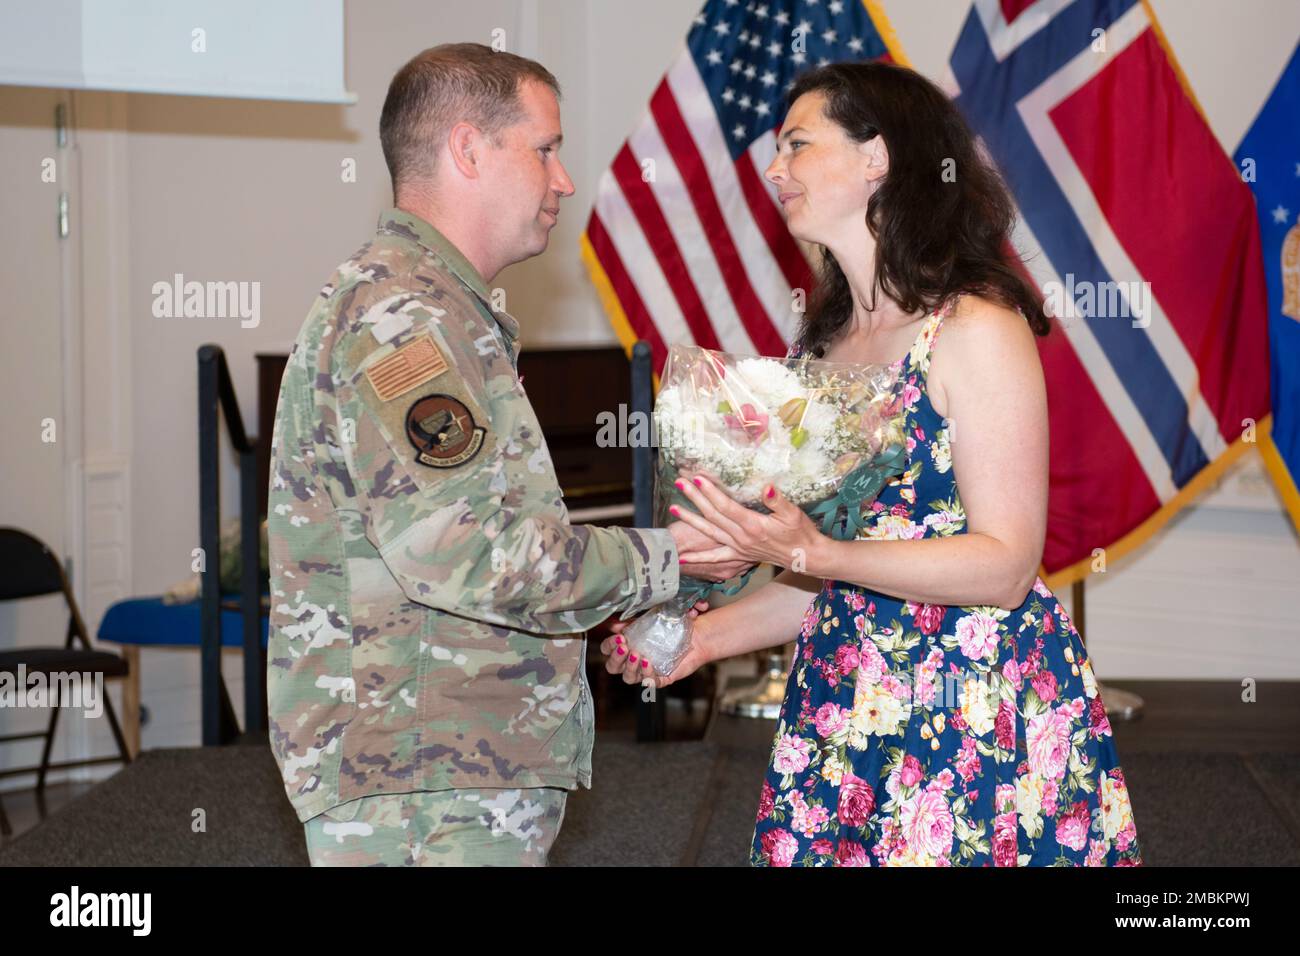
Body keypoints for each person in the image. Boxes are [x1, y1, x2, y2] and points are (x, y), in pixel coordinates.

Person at [604, 61, 1143, 867]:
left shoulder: (973, 327)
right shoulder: (821, 350)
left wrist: (811, 551)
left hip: (972, 705)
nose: (774, 169)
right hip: (846, 700)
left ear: (877, 158)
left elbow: (1004, 564)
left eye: (797, 144)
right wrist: (702, 638)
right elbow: (837, 576)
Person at [266, 42, 743, 867]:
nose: (563, 180)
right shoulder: (403, 316)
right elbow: (472, 552)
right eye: (547, 149)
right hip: (422, 784)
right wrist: (676, 559)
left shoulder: (436, 307)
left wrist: (632, 589)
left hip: (449, 768)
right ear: (467, 149)